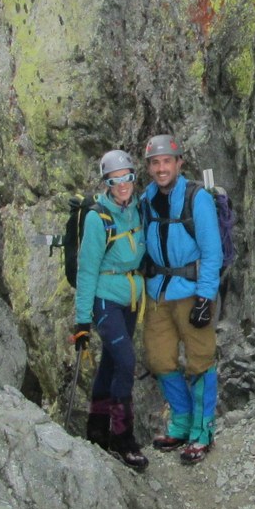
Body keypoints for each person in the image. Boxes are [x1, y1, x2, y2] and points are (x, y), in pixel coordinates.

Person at [136, 133, 222, 465]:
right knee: (160, 359)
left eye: (166, 162)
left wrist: (205, 297)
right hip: (157, 292)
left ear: (178, 163)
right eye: (155, 163)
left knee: (200, 360)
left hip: (191, 291)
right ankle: (182, 423)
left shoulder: (196, 198)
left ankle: (202, 432)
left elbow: (211, 252)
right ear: (149, 167)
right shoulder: (146, 199)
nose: (161, 168)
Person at [72, 149, 147, 471]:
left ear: (133, 177)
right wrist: (82, 322)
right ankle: (123, 437)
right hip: (105, 298)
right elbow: (86, 271)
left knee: (111, 364)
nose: (123, 184)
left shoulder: (137, 211)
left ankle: (97, 428)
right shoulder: (97, 218)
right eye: (115, 180)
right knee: (126, 360)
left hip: (131, 297)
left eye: (127, 177)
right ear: (106, 183)